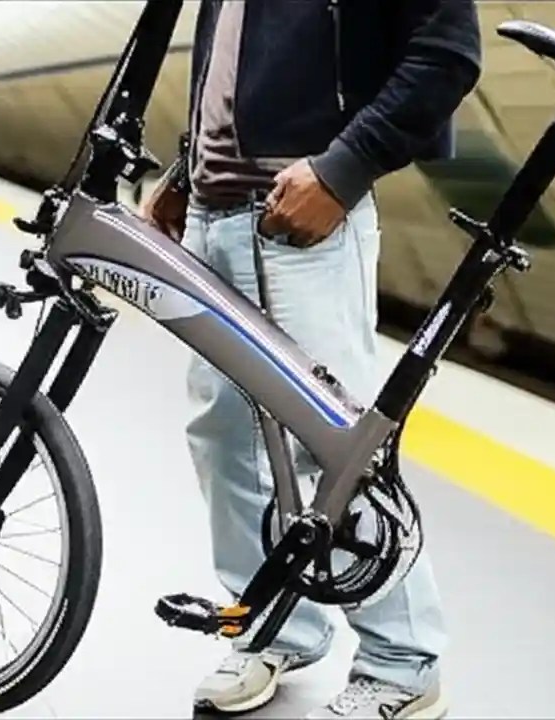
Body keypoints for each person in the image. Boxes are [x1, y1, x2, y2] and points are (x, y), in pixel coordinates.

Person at [140, 1, 480, 717]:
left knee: (337, 450)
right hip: (213, 214)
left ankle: (403, 663)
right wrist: (186, 170)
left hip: (303, 222)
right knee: (225, 438)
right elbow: (236, 67)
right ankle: (273, 627)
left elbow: (446, 53)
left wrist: (343, 170)